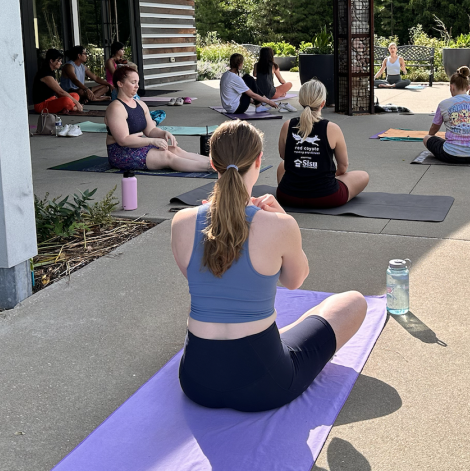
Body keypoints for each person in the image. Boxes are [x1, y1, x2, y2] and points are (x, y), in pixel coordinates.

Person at [171, 120, 367, 412]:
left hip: (196, 381)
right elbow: (295, 281)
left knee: (290, 326)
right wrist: (284, 220)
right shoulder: (279, 224)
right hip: (264, 383)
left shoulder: (182, 221)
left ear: (213, 164)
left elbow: (202, 277)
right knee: (352, 302)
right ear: (259, 160)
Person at [276, 79, 369, 208]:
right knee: (363, 176)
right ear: (323, 103)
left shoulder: (287, 125)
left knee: (282, 165)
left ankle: (296, 188)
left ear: (300, 102)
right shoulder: (332, 128)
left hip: (288, 196)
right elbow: (343, 167)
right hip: (327, 197)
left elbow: (284, 156)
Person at [105, 65, 211, 172]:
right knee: (167, 156)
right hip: (120, 153)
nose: (137, 86)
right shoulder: (116, 108)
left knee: (175, 150)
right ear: (120, 84)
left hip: (138, 146)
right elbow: (123, 140)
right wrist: (153, 141)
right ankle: (211, 168)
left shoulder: (141, 104)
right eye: (133, 82)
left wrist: (163, 133)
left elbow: (150, 130)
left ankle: (216, 162)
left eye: (138, 82)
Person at [424, 66, 470, 164]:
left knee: (427, 138)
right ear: (468, 87)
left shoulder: (444, 104)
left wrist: (431, 136)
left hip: (451, 155)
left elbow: (435, 127)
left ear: (452, 87)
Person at [32, 49, 84, 114]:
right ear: (51, 61)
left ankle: (65, 108)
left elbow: (59, 90)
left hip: (52, 100)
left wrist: (73, 101)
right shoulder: (45, 74)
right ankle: (73, 108)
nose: (61, 63)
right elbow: (60, 91)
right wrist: (77, 103)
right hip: (42, 105)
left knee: (75, 95)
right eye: (58, 61)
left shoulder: (51, 72)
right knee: (67, 100)